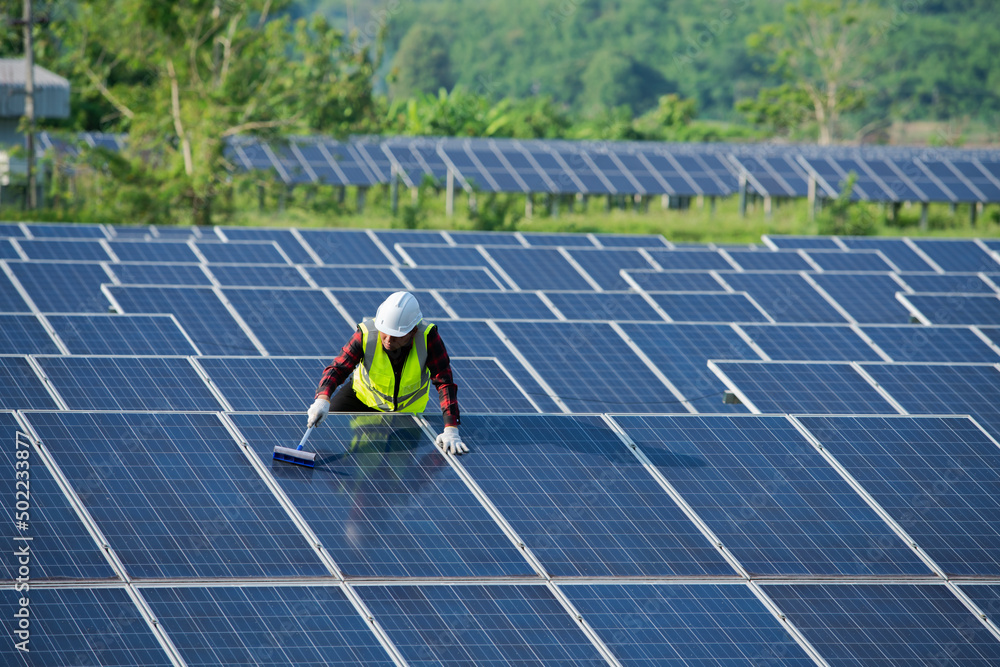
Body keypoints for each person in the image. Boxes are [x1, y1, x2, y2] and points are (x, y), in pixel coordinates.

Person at [306, 291, 469, 455]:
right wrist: (323, 398)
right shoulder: (366, 333)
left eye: (397, 336)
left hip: (406, 413)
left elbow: (444, 382)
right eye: (385, 333)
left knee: (393, 468)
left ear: (413, 331)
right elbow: (338, 368)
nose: (389, 340)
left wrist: (451, 428)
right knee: (325, 427)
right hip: (361, 398)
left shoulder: (428, 338)